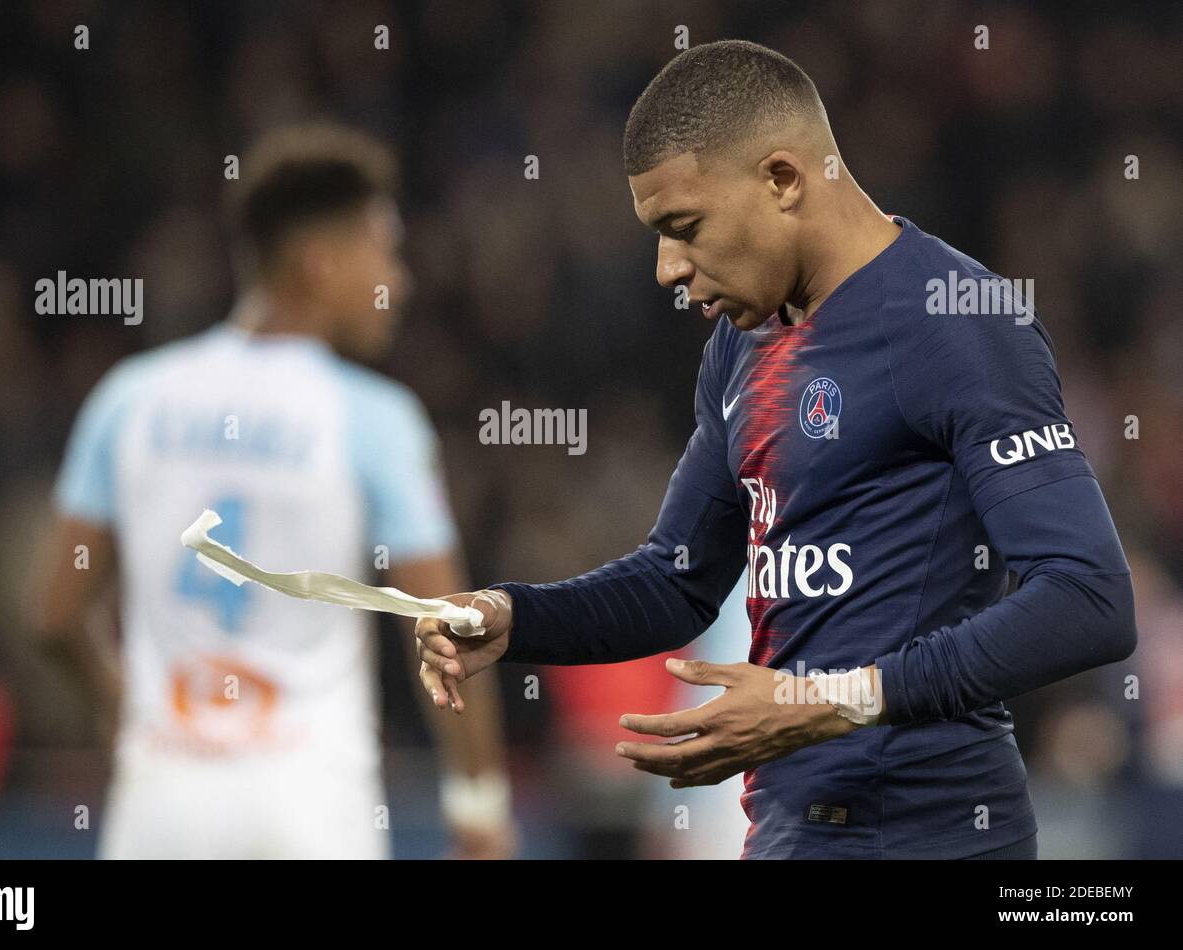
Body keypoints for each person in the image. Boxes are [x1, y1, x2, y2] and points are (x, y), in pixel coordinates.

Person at [415, 41, 1136, 859]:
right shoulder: (742, 345)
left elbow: (1088, 600)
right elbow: (677, 580)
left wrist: (821, 702)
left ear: (783, 180)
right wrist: (519, 617)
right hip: (787, 836)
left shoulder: (958, 322)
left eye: (683, 228)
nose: (666, 269)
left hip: (933, 836)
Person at [28, 123, 512, 859]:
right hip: (311, 807)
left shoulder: (130, 399)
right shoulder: (374, 418)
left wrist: (119, 699)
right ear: (318, 263)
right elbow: (449, 628)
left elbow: (54, 615)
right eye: (382, 250)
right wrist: (478, 805)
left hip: (160, 805)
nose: (400, 280)